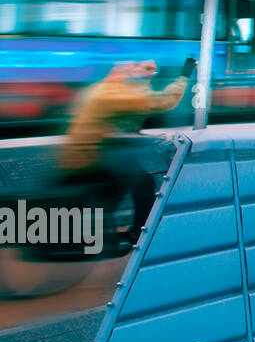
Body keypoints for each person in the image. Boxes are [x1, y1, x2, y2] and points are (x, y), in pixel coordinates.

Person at [58, 59, 193, 246]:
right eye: (144, 69)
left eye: (152, 71)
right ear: (119, 70)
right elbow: (161, 101)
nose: (149, 74)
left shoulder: (105, 88)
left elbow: (121, 123)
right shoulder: (117, 94)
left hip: (90, 151)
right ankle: (138, 236)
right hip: (93, 156)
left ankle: (102, 229)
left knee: (120, 186)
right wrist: (183, 77)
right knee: (143, 184)